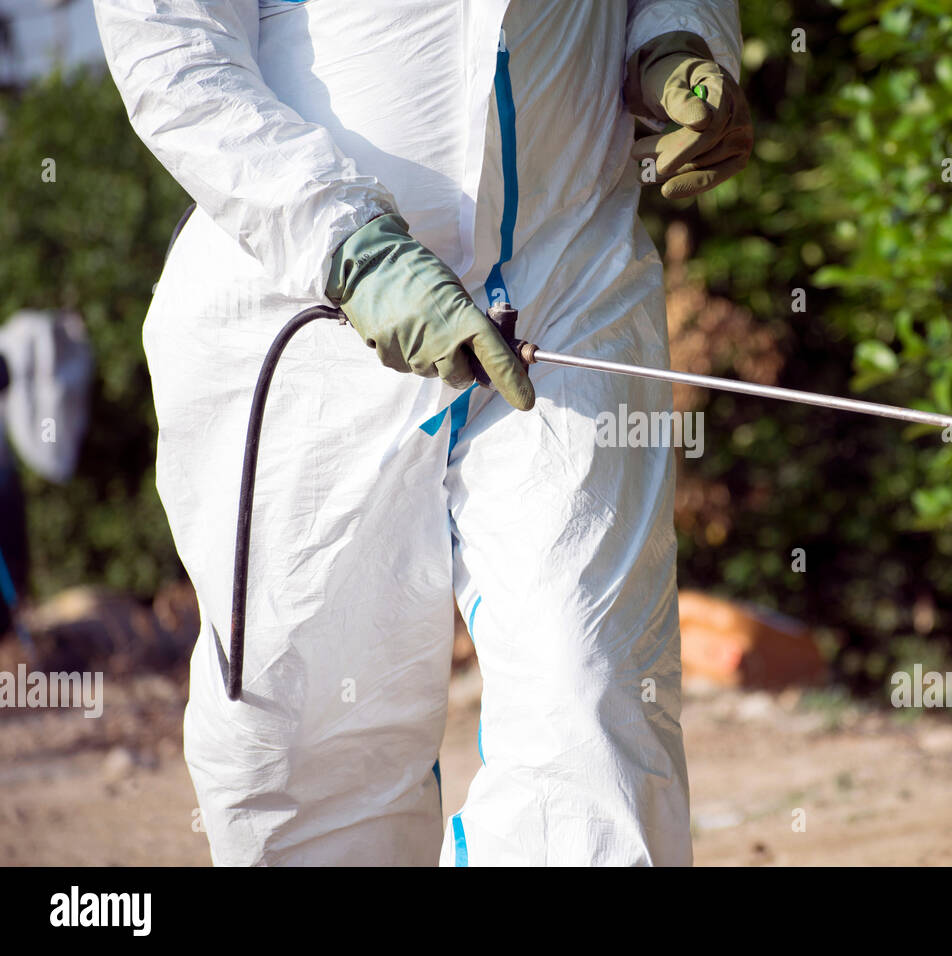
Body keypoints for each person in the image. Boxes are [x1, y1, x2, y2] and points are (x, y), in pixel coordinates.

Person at [93, 0, 752, 865]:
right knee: (310, 745)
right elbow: (171, 43)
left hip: (567, 283)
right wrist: (345, 243)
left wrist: (678, 38)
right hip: (304, 304)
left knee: (590, 694)